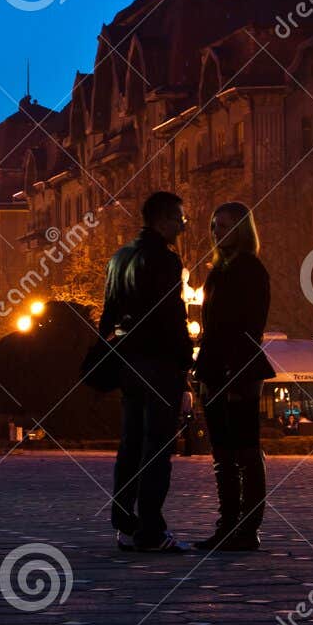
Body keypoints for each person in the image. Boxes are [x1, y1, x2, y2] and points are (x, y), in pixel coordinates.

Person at [99, 190, 193, 554]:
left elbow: (107, 314)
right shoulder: (165, 261)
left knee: (130, 444)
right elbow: (172, 315)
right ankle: (151, 530)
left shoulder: (119, 258)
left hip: (128, 362)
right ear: (162, 220)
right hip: (159, 362)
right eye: (179, 219)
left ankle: (124, 522)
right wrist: (185, 364)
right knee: (157, 447)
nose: (183, 227)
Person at [193, 201, 273, 552]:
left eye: (224, 225)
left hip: (240, 366)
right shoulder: (217, 272)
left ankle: (248, 526)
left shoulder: (250, 269)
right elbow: (211, 327)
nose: (217, 232)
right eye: (214, 225)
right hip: (213, 366)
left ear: (242, 229)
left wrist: (235, 372)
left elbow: (250, 326)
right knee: (222, 454)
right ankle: (227, 524)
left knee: (245, 451)